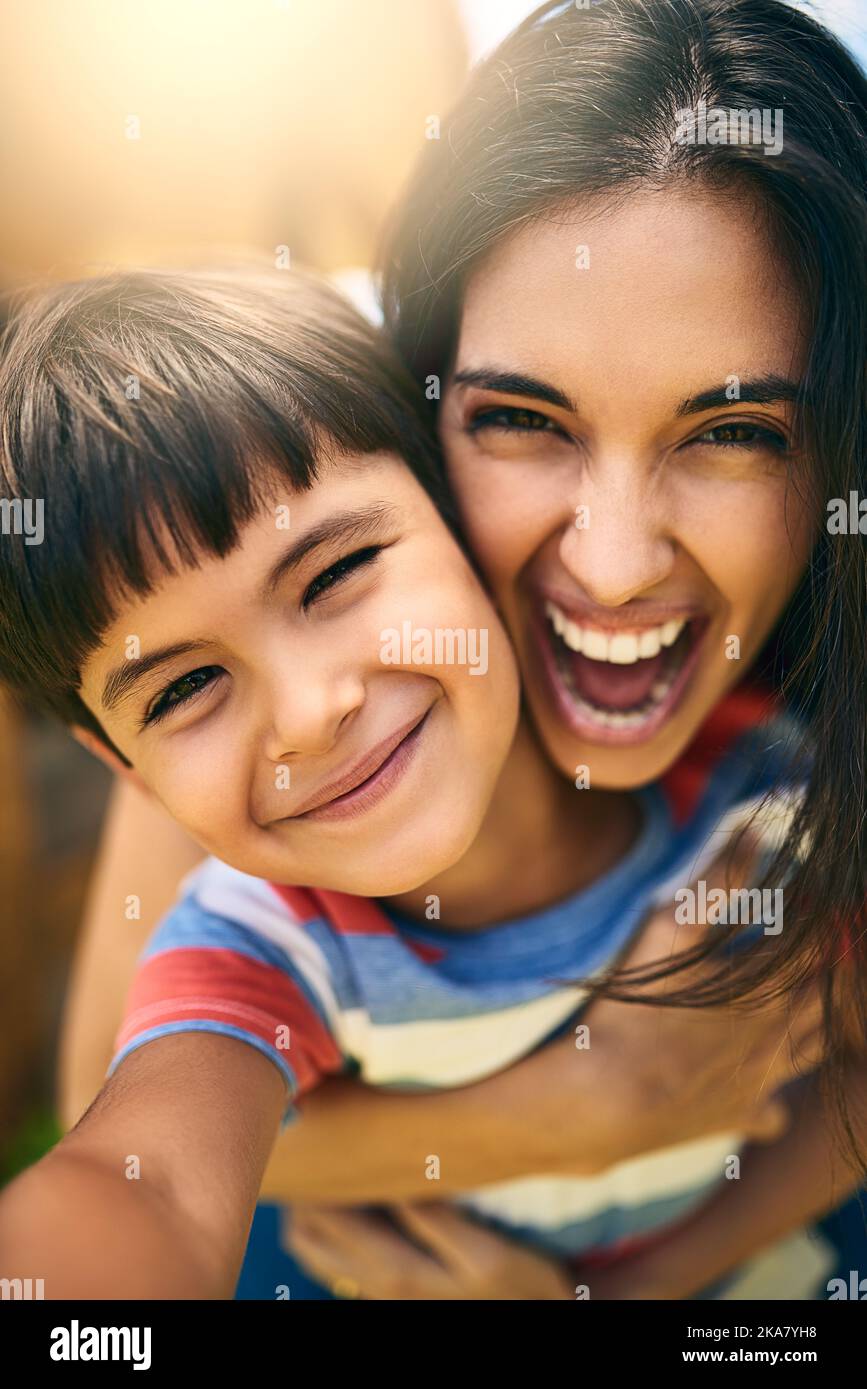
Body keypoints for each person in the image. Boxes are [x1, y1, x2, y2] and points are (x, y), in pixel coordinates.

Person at [57, 0, 866, 1299]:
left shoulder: (774, 771)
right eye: (521, 417)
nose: (611, 562)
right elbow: (125, 1089)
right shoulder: (279, 594)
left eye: (734, 434)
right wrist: (587, 1105)